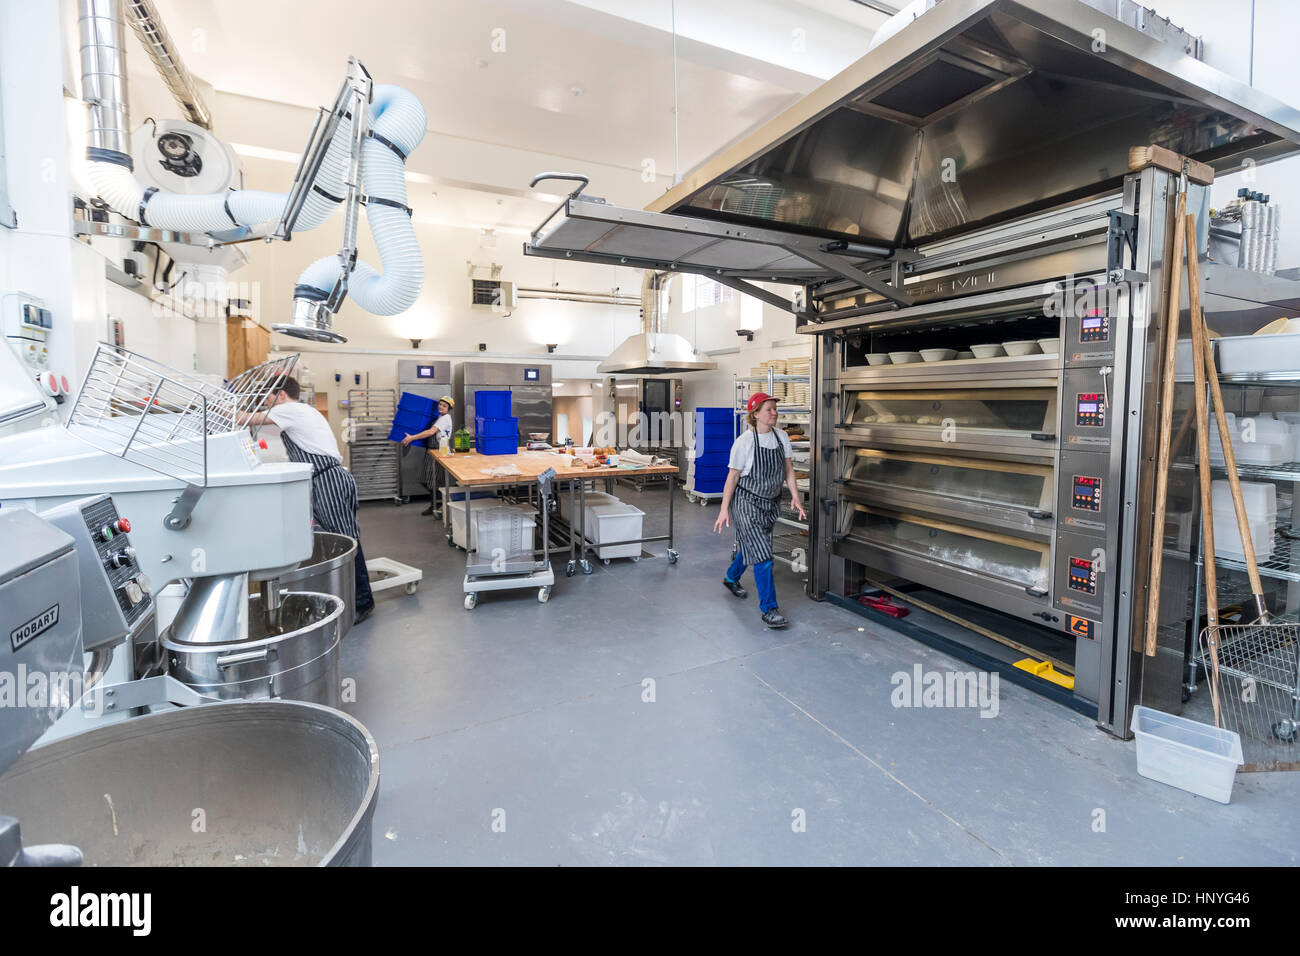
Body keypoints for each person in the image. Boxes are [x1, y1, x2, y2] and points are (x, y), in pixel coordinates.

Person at [238, 376, 376, 624]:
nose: (266, 404)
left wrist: (216, 407)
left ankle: (363, 603)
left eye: (267, 398)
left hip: (329, 481)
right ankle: (348, 597)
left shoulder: (289, 409)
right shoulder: (297, 412)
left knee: (348, 541)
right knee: (342, 540)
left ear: (281, 395)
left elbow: (246, 418)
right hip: (324, 480)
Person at [712, 392, 808, 629]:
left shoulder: (781, 437)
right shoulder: (744, 442)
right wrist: (724, 509)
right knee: (764, 557)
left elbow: (788, 470)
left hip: (770, 503)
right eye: (769, 409)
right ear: (755, 414)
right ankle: (769, 609)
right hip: (746, 503)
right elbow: (732, 477)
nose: (775, 412)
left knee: (752, 547)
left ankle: (731, 577)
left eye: (775, 408)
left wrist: (795, 496)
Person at [401, 396, 455, 516]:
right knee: (427, 480)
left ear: (449, 409)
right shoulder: (440, 418)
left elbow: (431, 432)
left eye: (444, 406)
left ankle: (438, 504)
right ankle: (438, 503)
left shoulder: (445, 419)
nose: (441, 407)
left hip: (439, 451)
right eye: (440, 404)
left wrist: (412, 438)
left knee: (432, 481)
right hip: (432, 450)